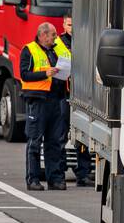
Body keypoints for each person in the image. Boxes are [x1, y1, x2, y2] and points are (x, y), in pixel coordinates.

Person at [19, 22, 70, 191]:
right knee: (35, 141)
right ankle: (32, 179)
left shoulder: (55, 50)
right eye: (53, 35)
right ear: (43, 35)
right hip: (38, 101)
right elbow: (24, 74)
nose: (55, 38)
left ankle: (54, 179)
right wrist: (45, 73)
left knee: (54, 142)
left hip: (55, 100)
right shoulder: (29, 50)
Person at [59, 14, 93, 187]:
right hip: (64, 95)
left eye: (74, 24)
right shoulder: (58, 43)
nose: (72, 28)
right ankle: (59, 171)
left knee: (82, 136)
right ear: (64, 25)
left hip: (80, 96)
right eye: (69, 24)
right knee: (60, 135)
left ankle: (83, 173)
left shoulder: (84, 42)